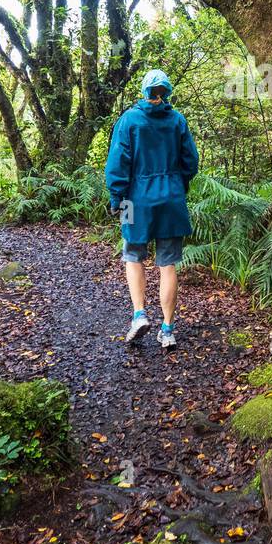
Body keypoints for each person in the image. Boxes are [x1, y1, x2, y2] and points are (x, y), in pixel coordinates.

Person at [104, 69, 199, 348]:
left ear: (144, 91)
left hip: (134, 201)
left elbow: (117, 165)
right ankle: (167, 330)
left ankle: (139, 315)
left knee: (133, 254)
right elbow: (190, 162)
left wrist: (116, 199)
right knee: (167, 263)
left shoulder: (129, 121)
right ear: (166, 92)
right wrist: (177, 185)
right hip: (171, 200)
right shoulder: (177, 121)